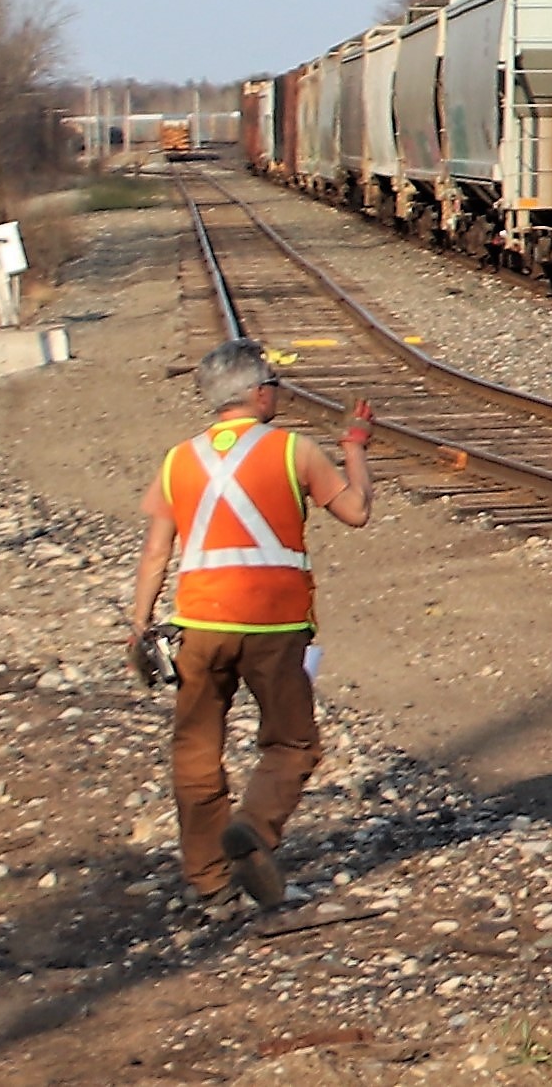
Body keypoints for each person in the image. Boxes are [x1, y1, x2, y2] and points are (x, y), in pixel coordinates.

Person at [120, 341, 374, 916]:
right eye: (275, 384)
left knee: (195, 751)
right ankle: (254, 828)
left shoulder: (177, 460)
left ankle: (208, 879)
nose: (278, 392)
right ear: (259, 393)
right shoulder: (294, 451)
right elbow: (356, 511)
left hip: (198, 626)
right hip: (274, 625)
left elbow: (155, 553)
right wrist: (355, 447)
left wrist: (139, 625)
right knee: (292, 742)